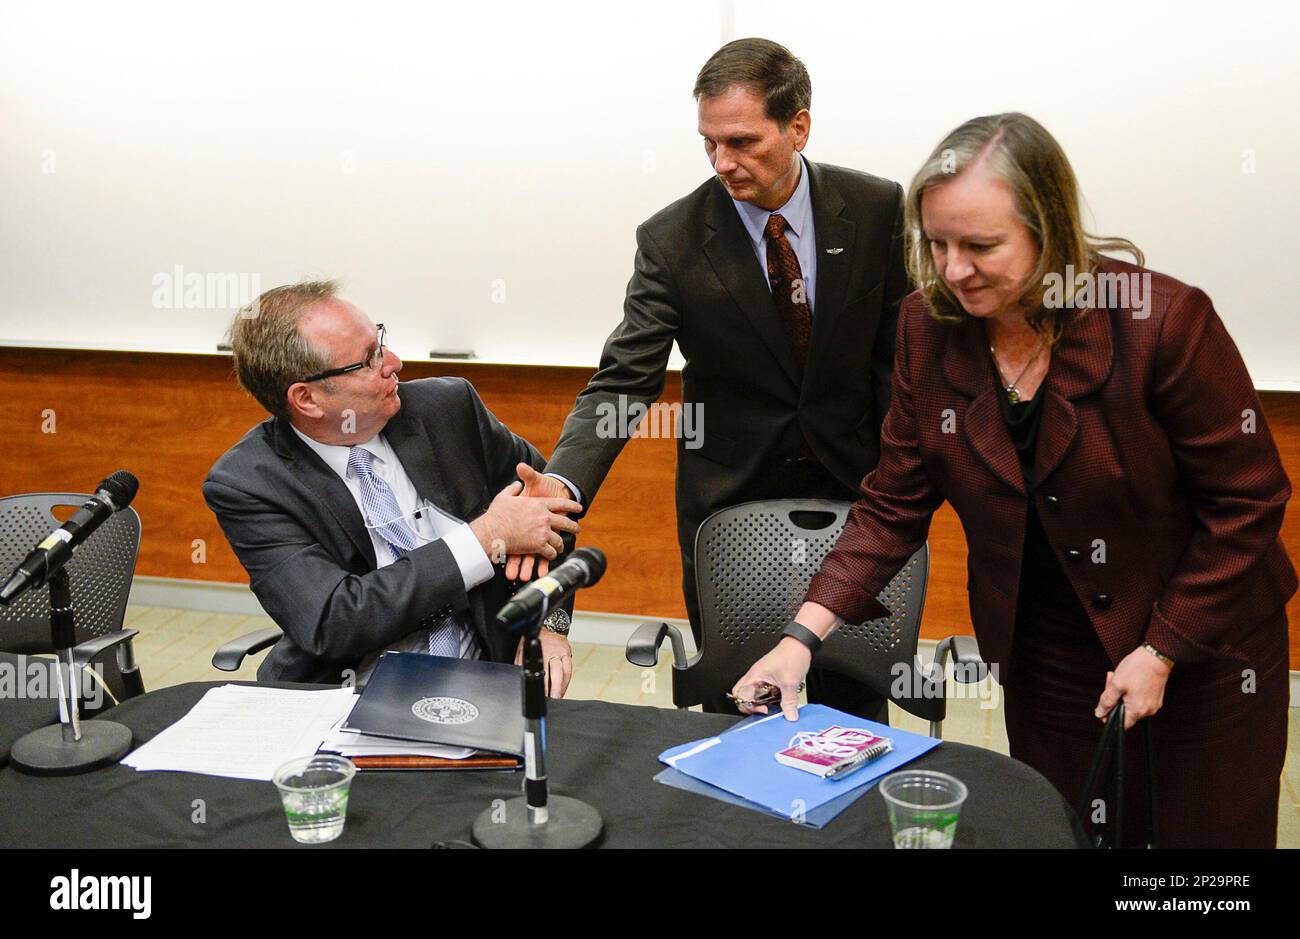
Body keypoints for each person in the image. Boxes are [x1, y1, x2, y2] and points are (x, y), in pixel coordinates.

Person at [731, 113, 1296, 848]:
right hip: (1047, 658)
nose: (953, 269)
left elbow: (1248, 502)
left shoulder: (1161, 322)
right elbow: (892, 504)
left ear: (1050, 231)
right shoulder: (925, 330)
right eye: (936, 245)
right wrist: (804, 634)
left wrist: (1162, 648)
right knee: (1063, 830)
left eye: (981, 246)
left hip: (1202, 647)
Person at [511, 38, 910, 717]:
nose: (725, 163)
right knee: (742, 703)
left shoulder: (874, 208)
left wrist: (903, 470)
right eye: (709, 144)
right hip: (731, 509)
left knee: (854, 706)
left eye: (744, 142)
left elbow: (898, 355)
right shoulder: (672, 239)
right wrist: (563, 483)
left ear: (799, 126)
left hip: (858, 500)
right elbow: (623, 379)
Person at [203, 281, 583, 692]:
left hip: (484, 679)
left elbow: (550, 507)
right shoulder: (250, 483)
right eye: (368, 361)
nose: (395, 362)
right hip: (344, 696)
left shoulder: (449, 409)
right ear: (307, 399)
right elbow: (335, 620)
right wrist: (483, 537)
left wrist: (548, 624)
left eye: (379, 342)